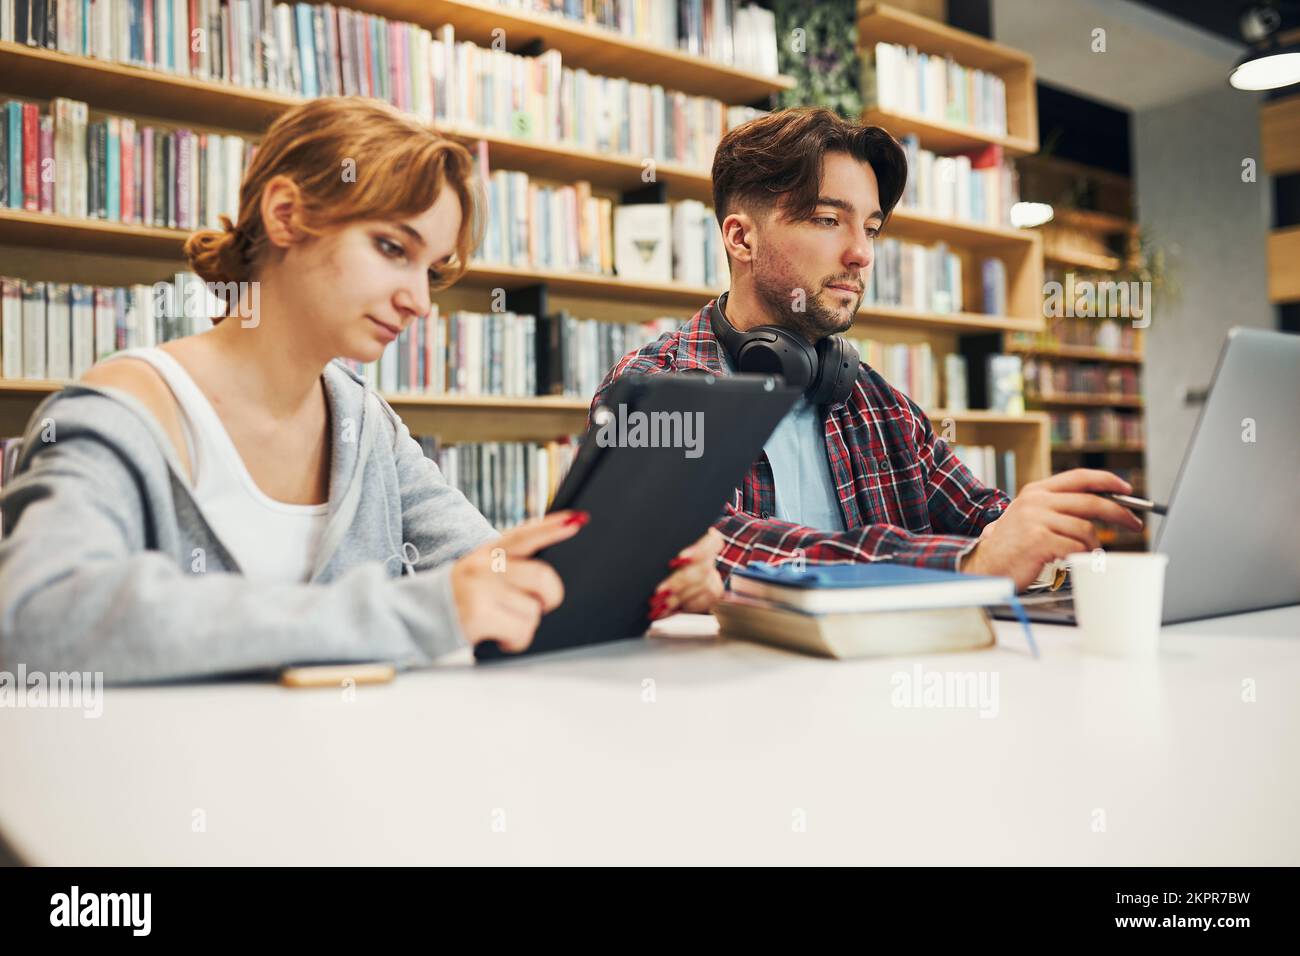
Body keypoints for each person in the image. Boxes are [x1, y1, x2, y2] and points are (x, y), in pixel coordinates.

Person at [0, 97, 722, 682]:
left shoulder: (365, 422)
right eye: (391, 249)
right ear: (286, 215)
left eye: (431, 269)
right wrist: (415, 614)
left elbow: (485, 575)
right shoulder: (122, 414)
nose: (418, 300)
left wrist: (634, 575)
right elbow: (35, 620)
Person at [591, 107, 1143, 591]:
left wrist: (1037, 526)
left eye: (872, 228)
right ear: (741, 238)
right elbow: (705, 546)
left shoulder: (882, 405)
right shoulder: (653, 387)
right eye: (829, 220)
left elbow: (979, 517)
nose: (861, 253)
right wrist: (969, 562)